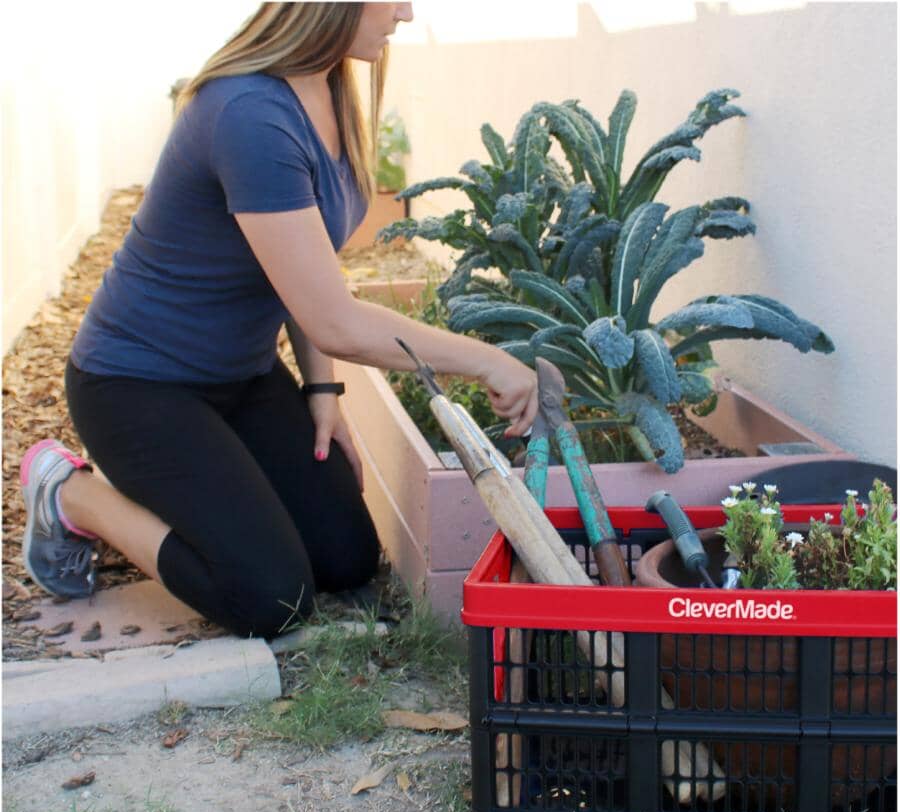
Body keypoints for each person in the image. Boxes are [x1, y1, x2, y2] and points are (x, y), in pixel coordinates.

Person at [19, 2, 538, 639]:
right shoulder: (248, 114)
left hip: (239, 375)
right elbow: (334, 319)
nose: (406, 12)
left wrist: (322, 390)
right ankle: (70, 495)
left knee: (345, 560)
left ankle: (195, 493)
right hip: (135, 385)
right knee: (269, 598)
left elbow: (304, 272)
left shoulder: (331, 85)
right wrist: (488, 359)